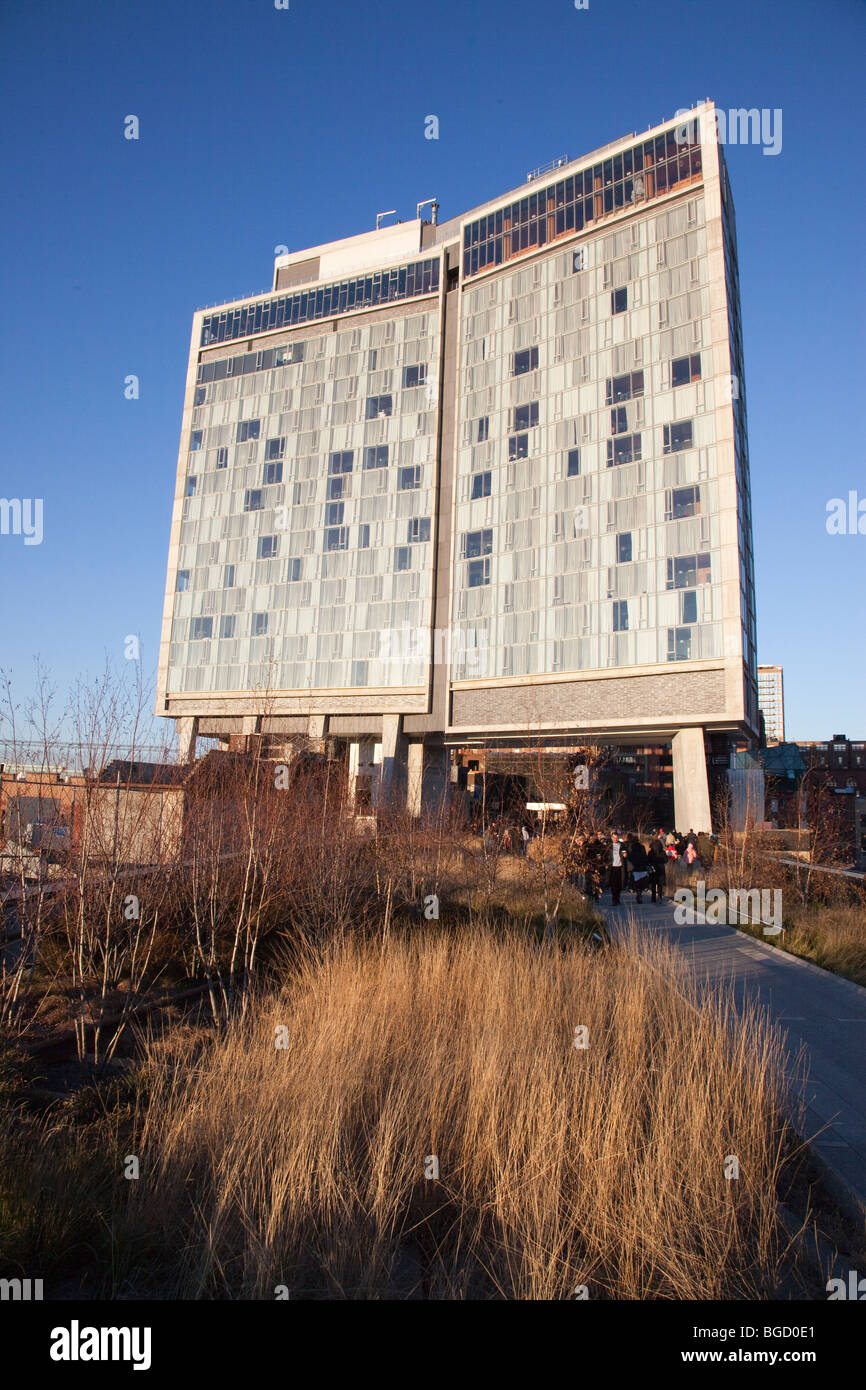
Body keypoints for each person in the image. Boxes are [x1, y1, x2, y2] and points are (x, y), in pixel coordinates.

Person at [627, 835, 650, 904]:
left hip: (635, 867)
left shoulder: (631, 848)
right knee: (641, 881)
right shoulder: (642, 847)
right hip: (642, 867)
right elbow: (645, 856)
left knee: (636, 881)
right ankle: (640, 892)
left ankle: (638, 892)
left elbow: (630, 857)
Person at [648, 835, 668, 903]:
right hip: (661, 869)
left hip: (653, 869)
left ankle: (653, 898)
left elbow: (648, 860)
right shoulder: (662, 852)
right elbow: (666, 860)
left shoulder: (651, 852)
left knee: (653, 884)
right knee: (660, 884)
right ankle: (659, 897)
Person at [608, 832, 625, 905]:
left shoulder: (621, 845)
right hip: (612, 867)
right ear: (611, 838)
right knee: (613, 884)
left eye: (616, 837)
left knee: (619, 884)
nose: (615, 839)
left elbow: (624, 852)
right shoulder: (609, 846)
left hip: (620, 867)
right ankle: (614, 899)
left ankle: (617, 898)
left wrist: (624, 855)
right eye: (614, 837)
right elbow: (605, 855)